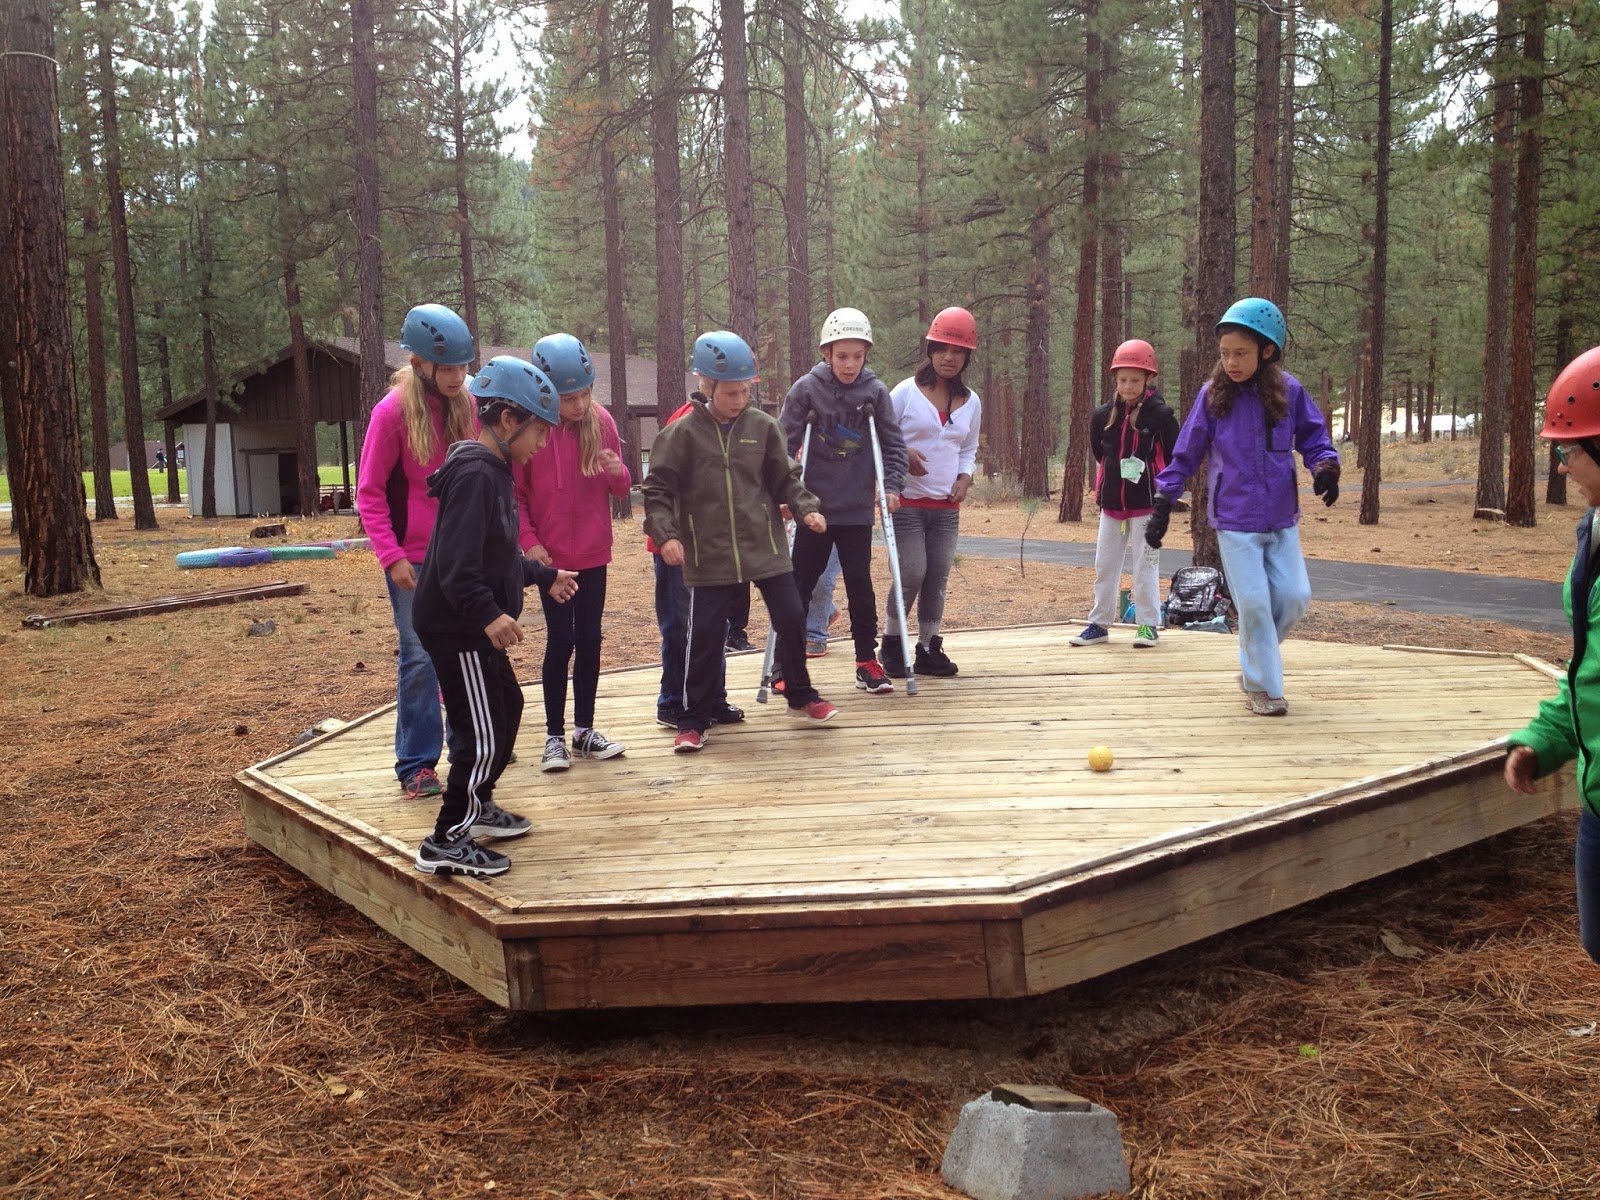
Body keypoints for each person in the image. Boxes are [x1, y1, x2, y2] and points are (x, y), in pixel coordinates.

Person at [410, 356, 579, 877]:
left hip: (470, 624)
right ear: (507, 420)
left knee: (506, 706)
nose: (543, 443)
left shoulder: (494, 471)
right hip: (458, 627)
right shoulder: (476, 476)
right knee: (481, 734)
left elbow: (497, 555)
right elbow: (456, 566)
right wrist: (488, 615)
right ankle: (446, 839)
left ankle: (477, 802)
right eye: (539, 431)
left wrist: (542, 575)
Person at [641, 330, 837, 752]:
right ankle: (693, 719)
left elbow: (786, 478)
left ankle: (800, 692)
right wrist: (666, 535)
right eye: (731, 392)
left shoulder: (763, 427)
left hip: (764, 545)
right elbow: (656, 491)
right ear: (706, 385)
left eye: (746, 390)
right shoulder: (682, 434)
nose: (740, 399)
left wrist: (806, 508)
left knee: (791, 615)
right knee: (705, 635)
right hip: (709, 553)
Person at [1144, 297, 1339, 716]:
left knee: (1295, 598)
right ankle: (1262, 686)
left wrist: (1325, 466)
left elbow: (1314, 437)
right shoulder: (1212, 397)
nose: (1231, 362)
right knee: (1253, 604)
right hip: (1234, 520)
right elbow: (1186, 453)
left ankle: (1255, 658)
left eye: (1241, 353)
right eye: (1225, 353)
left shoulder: (1289, 391)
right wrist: (1163, 501)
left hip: (1281, 517)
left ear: (1267, 351)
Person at [355, 303, 478, 798]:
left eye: (462, 366)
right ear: (418, 363)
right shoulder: (390, 414)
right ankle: (417, 763)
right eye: (446, 368)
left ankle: (469, 746)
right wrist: (391, 555)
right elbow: (369, 493)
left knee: (466, 651)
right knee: (420, 657)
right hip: (414, 558)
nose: (457, 377)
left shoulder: (468, 405)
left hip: (460, 555)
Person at [1506, 346, 1600, 965]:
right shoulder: (1594, 535)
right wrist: (1547, 738)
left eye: (1571, 451)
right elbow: (1589, 668)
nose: (1563, 467)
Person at [514, 333, 632, 773]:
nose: (579, 404)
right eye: (568, 398)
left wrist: (618, 472)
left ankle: (584, 730)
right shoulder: (532, 429)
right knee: (561, 640)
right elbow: (517, 495)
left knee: (590, 639)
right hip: (552, 560)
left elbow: (620, 488)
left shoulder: (601, 422)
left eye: (584, 393)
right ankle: (554, 736)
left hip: (593, 554)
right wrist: (530, 543)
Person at [777, 307, 907, 695]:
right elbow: (783, 445)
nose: (850, 365)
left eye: (857, 356)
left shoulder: (875, 391)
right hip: (813, 510)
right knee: (800, 586)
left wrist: (892, 486)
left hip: (855, 511)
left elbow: (893, 445)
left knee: (860, 587)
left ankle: (867, 661)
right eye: (842, 356)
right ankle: (786, 663)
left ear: (866, 355)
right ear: (827, 353)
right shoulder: (806, 389)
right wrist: (786, 492)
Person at [880, 306, 983, 679]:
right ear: (930, 349)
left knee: (937, 577)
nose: (949, 357)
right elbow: (880, 435)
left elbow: (968, 448)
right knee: (911, 572)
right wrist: (902, 452)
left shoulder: (972, 402)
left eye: (957, 351)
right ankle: (892, 644)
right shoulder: (905, 393)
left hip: (945, 508)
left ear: (967, 356)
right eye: (942, 348)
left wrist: (965, 478)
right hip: (904, 502)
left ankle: (928, 647)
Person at [1070, 338, 1180, 650]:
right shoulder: (1102, 415)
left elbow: (1174, 454)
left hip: (1147, 505)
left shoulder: (1161, 415)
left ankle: (1148, 625)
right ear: (1115, 380)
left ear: (1148, 379)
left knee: (1146, 565)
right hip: (1111, 505)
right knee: (1104, 565)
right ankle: (1099, 624)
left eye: (1135, 380)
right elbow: (1099, 452)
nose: (1128, 386)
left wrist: (1164, 493)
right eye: (1122, 380)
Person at [648, 400, 746, 731]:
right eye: (731, 390)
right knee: (680, 625)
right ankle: (673, 701)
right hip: (676, 544)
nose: (739, 398)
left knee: (714, 623)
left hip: (712, 545)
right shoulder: (686, 422)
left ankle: (712, 698)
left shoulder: (736, 423)